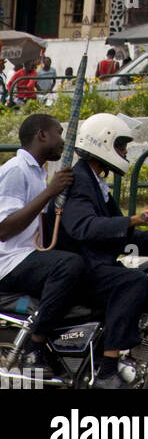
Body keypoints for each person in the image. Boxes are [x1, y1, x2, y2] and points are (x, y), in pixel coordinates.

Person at [56, 113, 148, 389]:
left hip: (98, 263)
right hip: (81, 268)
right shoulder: (79, 181)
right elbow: (84, 227)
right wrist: (136, 219)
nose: (125, 152)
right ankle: (108, 370)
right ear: (102, 142)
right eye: (120, 145)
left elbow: (121, 234)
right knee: (133, 281)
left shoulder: (97, 184)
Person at [0, 113, 84, 372]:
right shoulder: (16, 170)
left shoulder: (38, 173)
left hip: (27, 256)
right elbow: (3, 229)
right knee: (68, 265)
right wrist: (50, 192)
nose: (63, 140)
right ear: (42, 134)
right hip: (10, 261)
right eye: (59, 132)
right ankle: (34, 347)